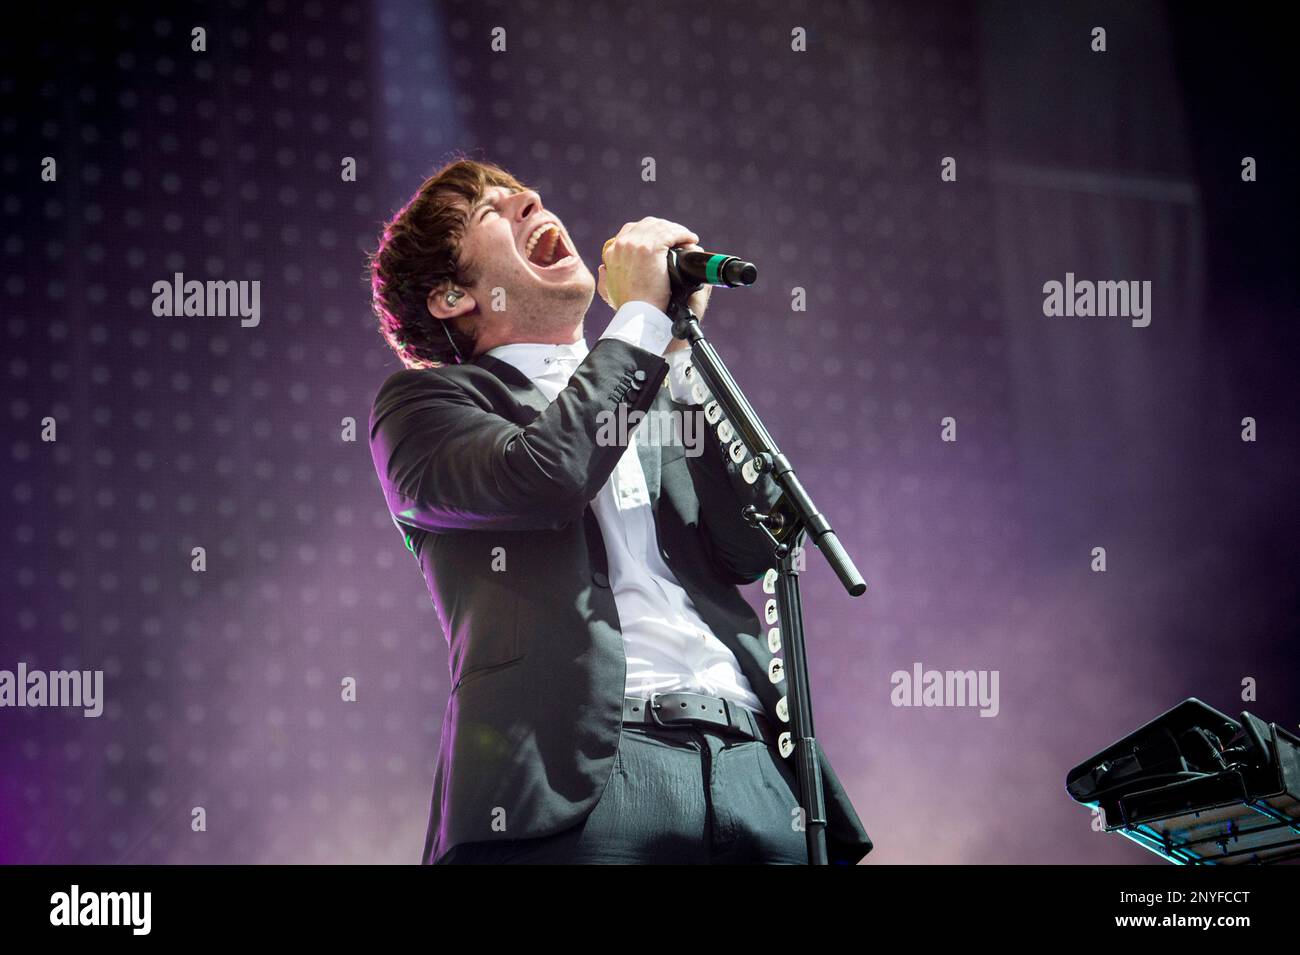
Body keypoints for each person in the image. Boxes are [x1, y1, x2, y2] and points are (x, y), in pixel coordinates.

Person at [366, 157, 872, 864]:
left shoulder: (645, 388)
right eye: (491, 208)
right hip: (581, 786)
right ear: (452, 295)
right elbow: (545, 475)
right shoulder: (424, 408)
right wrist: (635, 322)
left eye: (523, 192)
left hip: (755, 760)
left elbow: (748, 545)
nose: (528, 200)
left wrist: (676, 349)